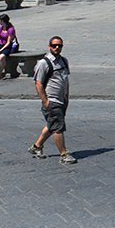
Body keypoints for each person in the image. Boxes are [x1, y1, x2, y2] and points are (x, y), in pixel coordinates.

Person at [30, 36, 77, 164]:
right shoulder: (43, 63)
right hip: (52, 100)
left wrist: (67, 97)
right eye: (54, 45)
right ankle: (64, 154)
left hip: (62, 100)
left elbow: (65, 80)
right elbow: (38, 83)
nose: (57, 48)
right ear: (49, 46)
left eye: (60, 46)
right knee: (58, 127)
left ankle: (36, 147)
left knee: (52, 125)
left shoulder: (64, 61)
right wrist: (45, 101)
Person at [0, 13, 18, 80]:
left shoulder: (11, 29)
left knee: (2, 56)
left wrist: (1, 50)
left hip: (7, 46)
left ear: (3, 21)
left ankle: (0, 73)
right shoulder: (1, 28)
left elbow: (8, 42)